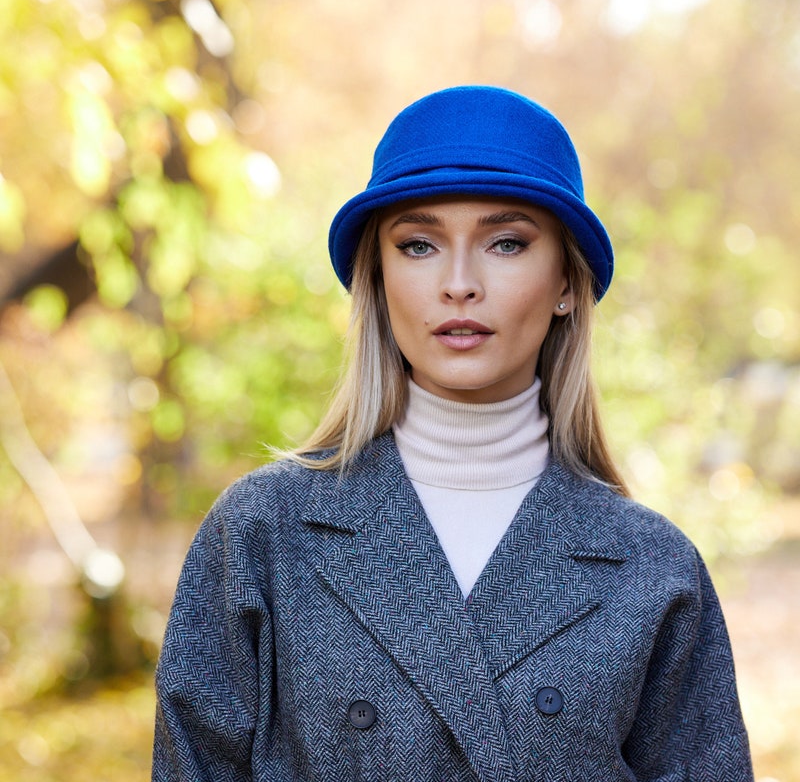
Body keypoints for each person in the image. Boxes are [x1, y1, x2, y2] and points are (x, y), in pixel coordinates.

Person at [152, 86, 754, 781]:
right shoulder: (261, 533)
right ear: (377, 278)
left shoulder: (654, 569)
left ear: (565, 280)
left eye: (506, 242)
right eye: (418, 244)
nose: (459, 283)